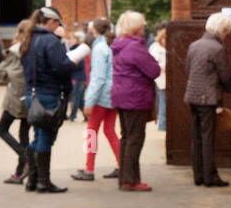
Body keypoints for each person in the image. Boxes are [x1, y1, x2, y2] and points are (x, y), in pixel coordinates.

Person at [20, 5, 87, 193]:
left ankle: (32, 180)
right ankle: (43, 182)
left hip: (31, 94)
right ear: (50, 21)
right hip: (48, 95)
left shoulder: (29, 38)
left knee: (38, 135)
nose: (58, 26)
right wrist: (72, 62)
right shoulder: (50, 40)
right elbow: (60, 68)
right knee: (46, 137)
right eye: (57, 22)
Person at [110, 11, 162, 192]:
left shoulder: (119, 45)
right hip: (135, 97)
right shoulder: (135, 48)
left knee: (127, 137)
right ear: (135, 28)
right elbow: (154, 70)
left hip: (121, 96)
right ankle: (130, 180)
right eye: (142, 25)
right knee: (135, 138)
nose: (144, 28)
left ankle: (125, 178)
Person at [185, 12, 231, 188]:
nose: (226, 35)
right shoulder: (217, 49)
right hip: (209, 97)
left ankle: (198, 175)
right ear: (221, 30)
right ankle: (210, 176)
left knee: (196, 136)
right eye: (226, 32)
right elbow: (224, 75)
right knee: (208, 137)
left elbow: (188, 69)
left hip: (192, 95)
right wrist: (228, 88)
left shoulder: (194, 45)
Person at [72, 18, 121, 181]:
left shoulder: (99, 48)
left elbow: (98, 78)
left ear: (93, 30)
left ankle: (89, 168)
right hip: (113, 94)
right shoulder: (112, 45)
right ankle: (122, 165)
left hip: (100, 97)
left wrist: (89, 101)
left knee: (91, 132)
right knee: (110, 131)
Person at [0, 19, 32, 184]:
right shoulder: (33, 49)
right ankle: (19, 172)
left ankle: (25, 158)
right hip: (30, 96)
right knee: (24, 134)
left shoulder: (15, 50)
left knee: (1, 129)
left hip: (16, 97)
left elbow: (4, 72)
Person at [149, 22, 168, 132]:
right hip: (161, 79)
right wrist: (166, 66)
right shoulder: (155, 49)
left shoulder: (166, 48)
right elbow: (154, 65)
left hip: (166, 79)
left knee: (164, 102)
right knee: (163, 103)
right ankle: (162, 124)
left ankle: (164, 123)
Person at [66, 31, 89, 121]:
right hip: (79, 77)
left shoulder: (78, 50)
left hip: (78, 77)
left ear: (76, 40)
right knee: (79, 98)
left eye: (71, 39)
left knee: (76, 97)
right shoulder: (73, 49)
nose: (69, 41)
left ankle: (73, 116)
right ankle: (87, 116)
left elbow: (79, 64)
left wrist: (68, 65)